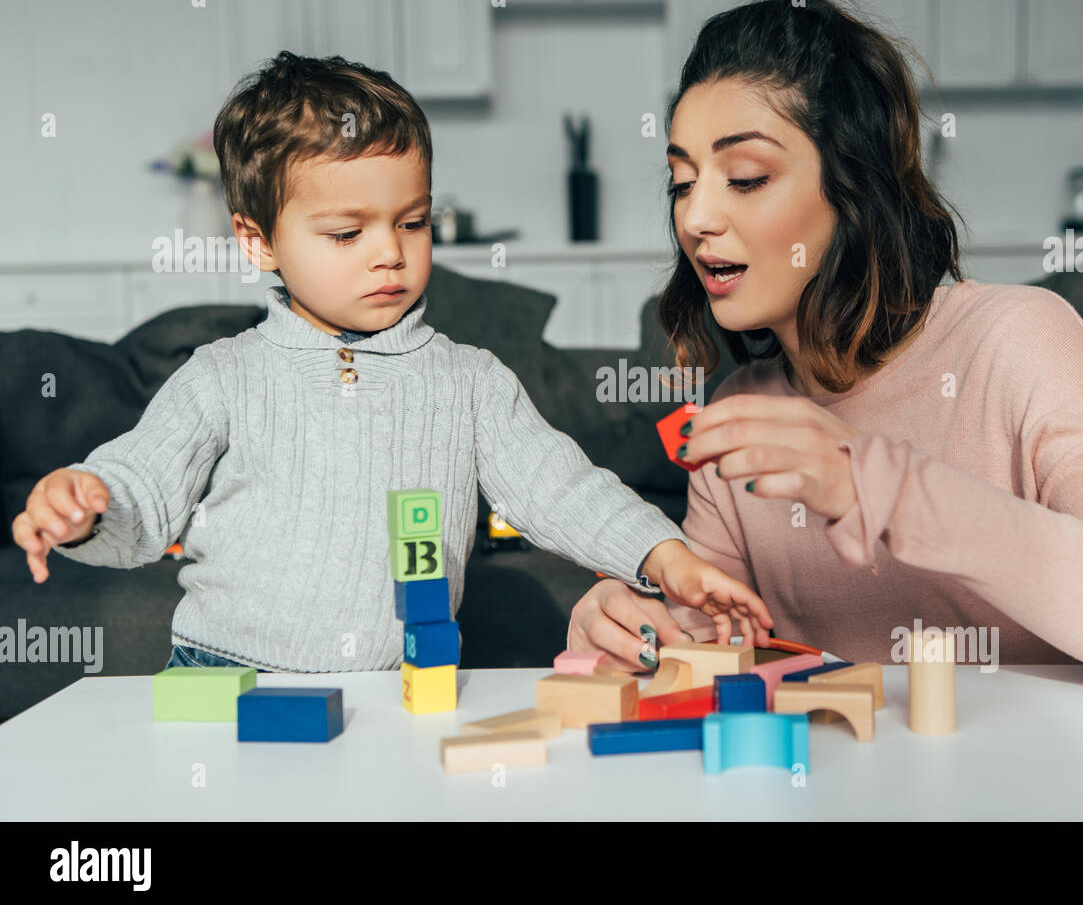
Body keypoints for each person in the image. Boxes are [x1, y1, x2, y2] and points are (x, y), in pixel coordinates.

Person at [567, 0, 1083, 703]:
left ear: (853, 181)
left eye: (745, 178)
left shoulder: (1020, 340)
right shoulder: (738, 415)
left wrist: (890, 489)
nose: (696, 217)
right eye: (682, 182)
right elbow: (714, 643)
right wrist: (634, 630)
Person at [9, 51, 773, 673]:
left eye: (412, 221)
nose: (390, 253)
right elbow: (142, 496)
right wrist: (87, 506)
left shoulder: (469, 381)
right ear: (258, 241)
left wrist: (663, 553)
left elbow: (560, 488)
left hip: (398, 682)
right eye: (347, 233)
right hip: (222, 667)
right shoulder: (220, 376)